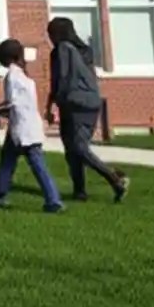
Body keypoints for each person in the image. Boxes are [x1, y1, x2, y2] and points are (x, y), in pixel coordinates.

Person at [43, 17, 130, 203]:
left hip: (75, 103)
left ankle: (114, 178)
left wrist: (54, 104)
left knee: (77, 147)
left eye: (51, 33)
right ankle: (79, 191)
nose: (50, 38)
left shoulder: (63, 49)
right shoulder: (85, 51)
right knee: (72, 149)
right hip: (88, 102)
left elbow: (62, 78)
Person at [0, 38, 64, 213]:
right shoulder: (25, 77)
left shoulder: (11, 77)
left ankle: (53, 200)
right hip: (30, 125)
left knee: (35, 163)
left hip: (21, 128)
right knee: (9, 159)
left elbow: (11, 103)